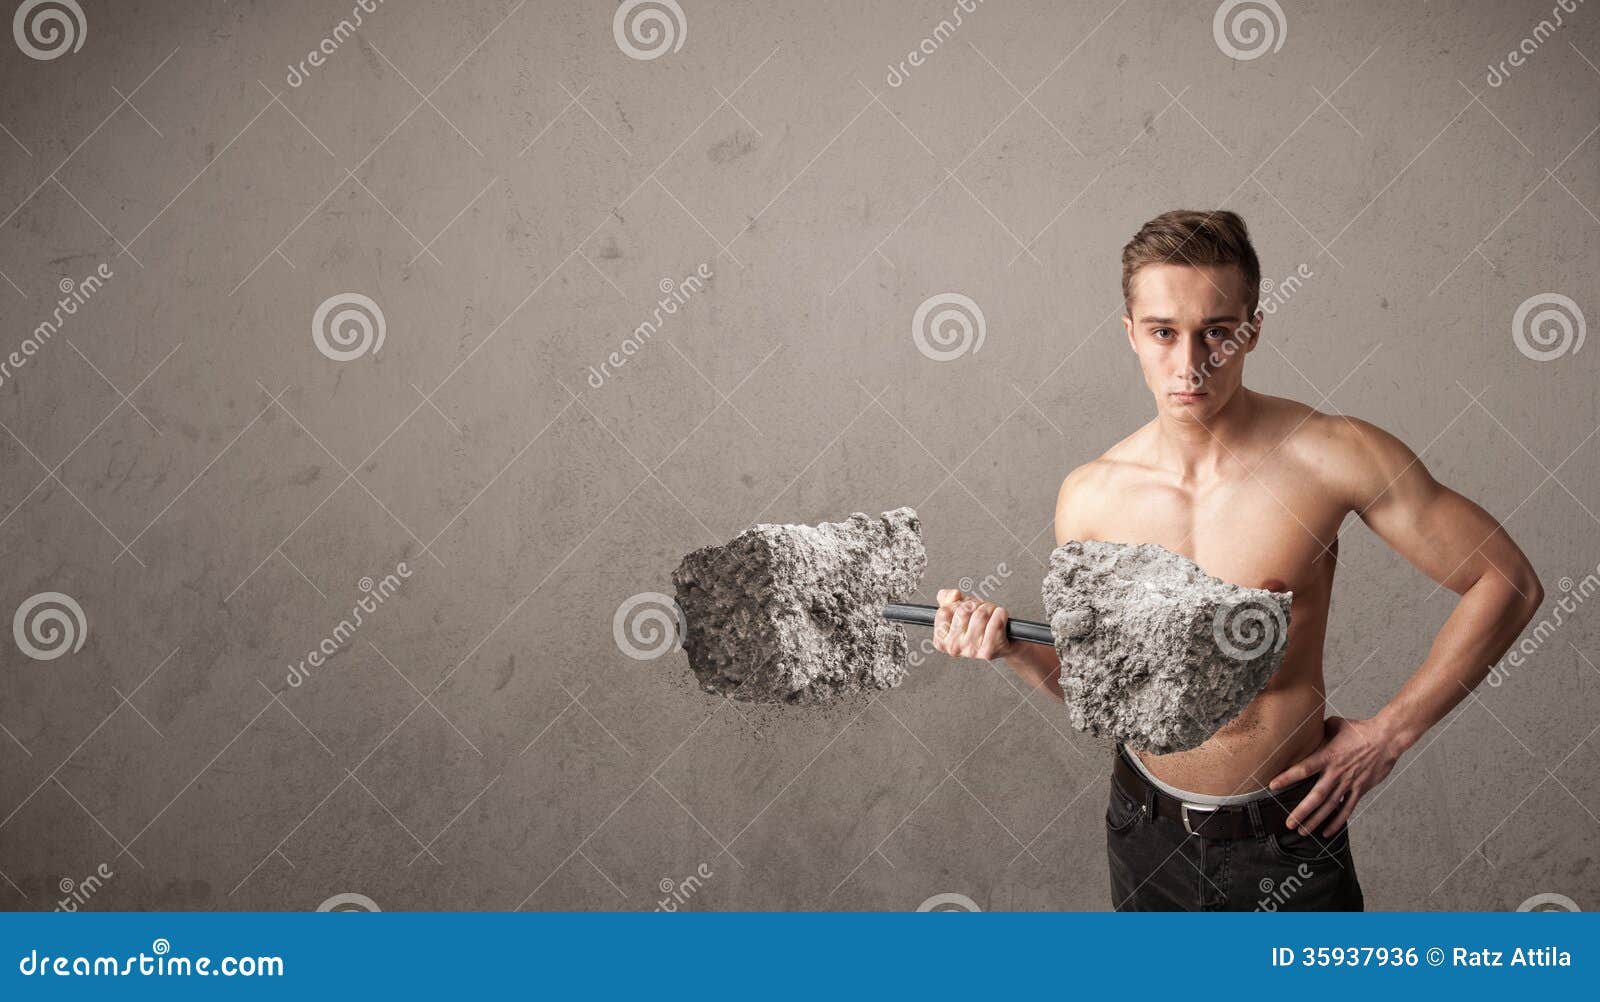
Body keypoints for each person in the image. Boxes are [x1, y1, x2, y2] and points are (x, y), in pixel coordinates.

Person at [931, 209, 1544, 911]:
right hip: (1143, 831)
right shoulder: (1090, 499)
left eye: (1216, 333)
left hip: (1284, 838)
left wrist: (1389, 734)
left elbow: (1509, 582)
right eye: (1164, 332)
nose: (1190, 365)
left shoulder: (1331, 456)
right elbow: (1109, 693)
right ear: (1131, 334)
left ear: (1253, 329)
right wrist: (1009, 648)